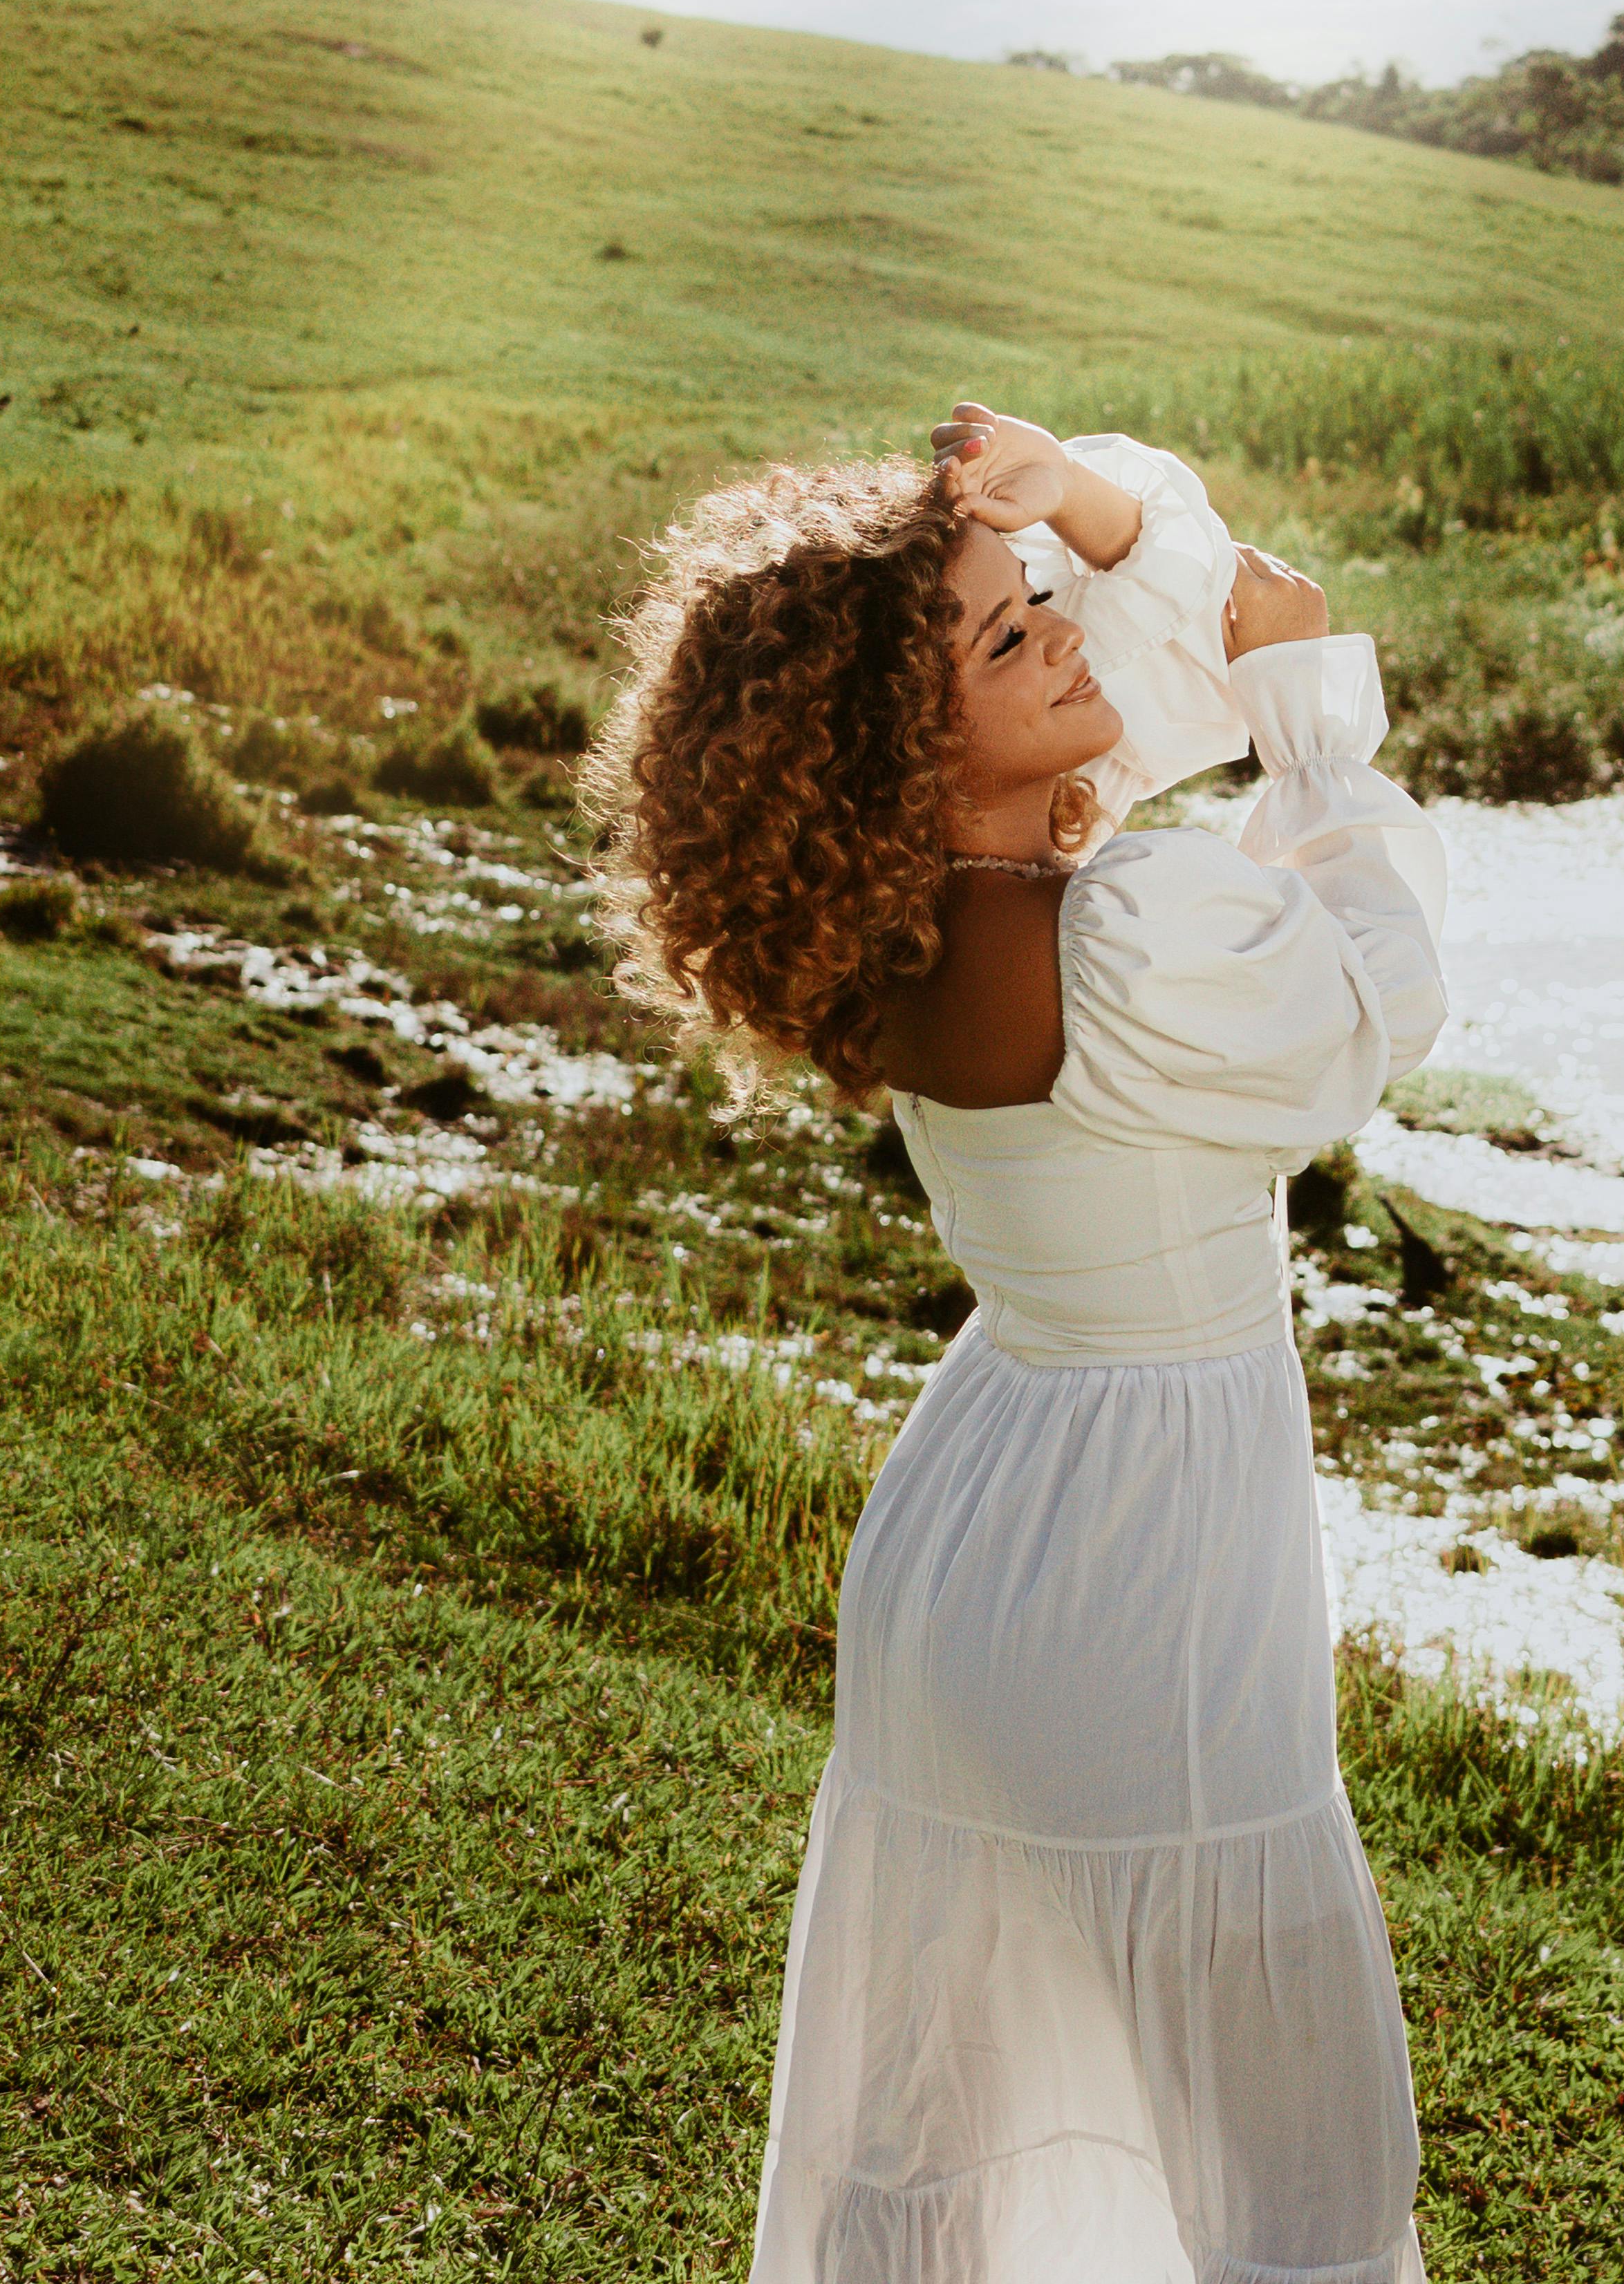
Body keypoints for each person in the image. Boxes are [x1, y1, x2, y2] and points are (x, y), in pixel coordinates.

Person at [587, 404, 1451, 2283]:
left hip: (983, 1532)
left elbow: (1142, 662)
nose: (1058, 629)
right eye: (1005, 632)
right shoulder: (1122, 930)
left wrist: (1084, 504)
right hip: (1146, 1564)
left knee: (941, 2143)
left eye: (1036, 597)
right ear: (914, 746)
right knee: (1294, 2170)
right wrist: (1314, 721)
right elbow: (1378, 1001)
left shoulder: (919, 912)